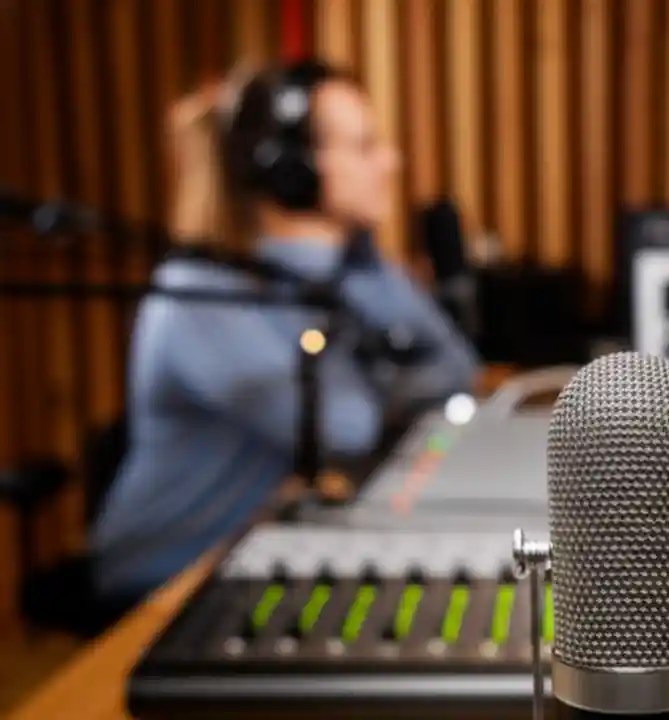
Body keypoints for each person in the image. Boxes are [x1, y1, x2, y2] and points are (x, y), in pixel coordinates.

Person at [90, 62, 478, 606]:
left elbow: (457, 368)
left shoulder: (341, 273)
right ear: (291, 172)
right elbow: (348, 427)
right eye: (365, 146)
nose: (391, 161)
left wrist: (362, 257)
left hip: (251, 556)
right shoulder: (198, 297)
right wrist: (391, 368)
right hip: (162, 578)